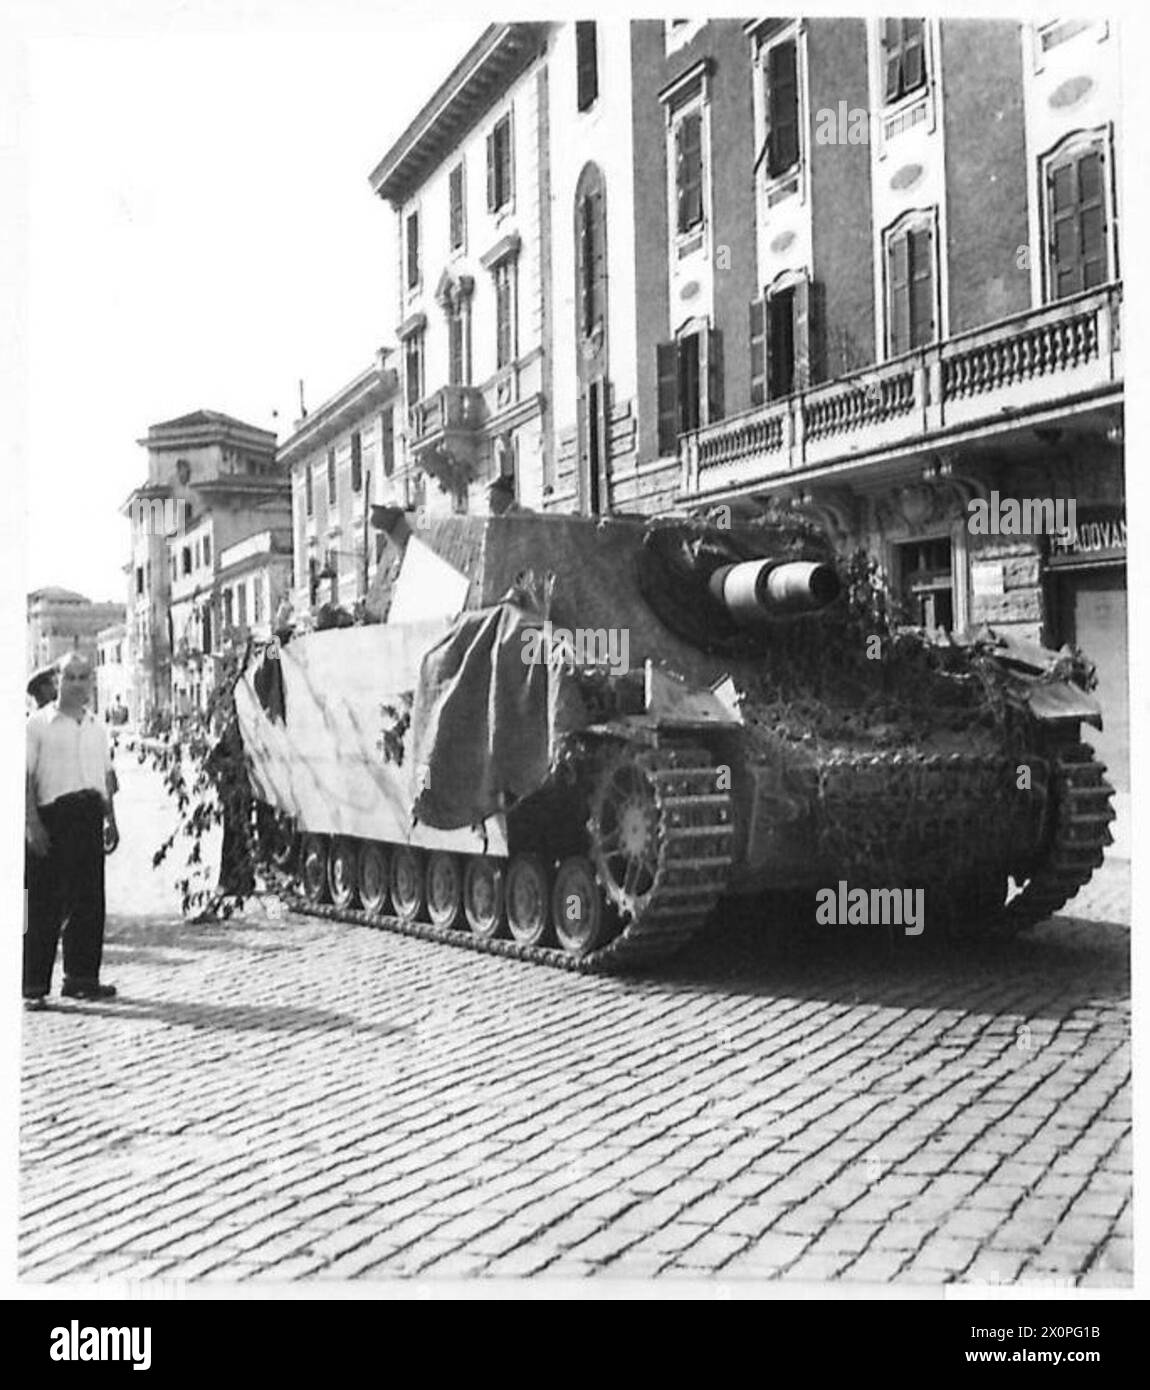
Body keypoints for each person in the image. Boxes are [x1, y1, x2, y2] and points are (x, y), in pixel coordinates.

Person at [24, 653, 120, 1010]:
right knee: (42, 904)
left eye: (84, 677)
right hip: (52, 817)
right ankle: (33, 985)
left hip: (89, 815)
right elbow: (23, 779)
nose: (78, 684)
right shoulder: (37, 725)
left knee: (88, 902)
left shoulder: (96, 726)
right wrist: (31, 824)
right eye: (70, 677)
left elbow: (105, 778)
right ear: (57, 681)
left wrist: (111, 818)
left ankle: (81, 979)